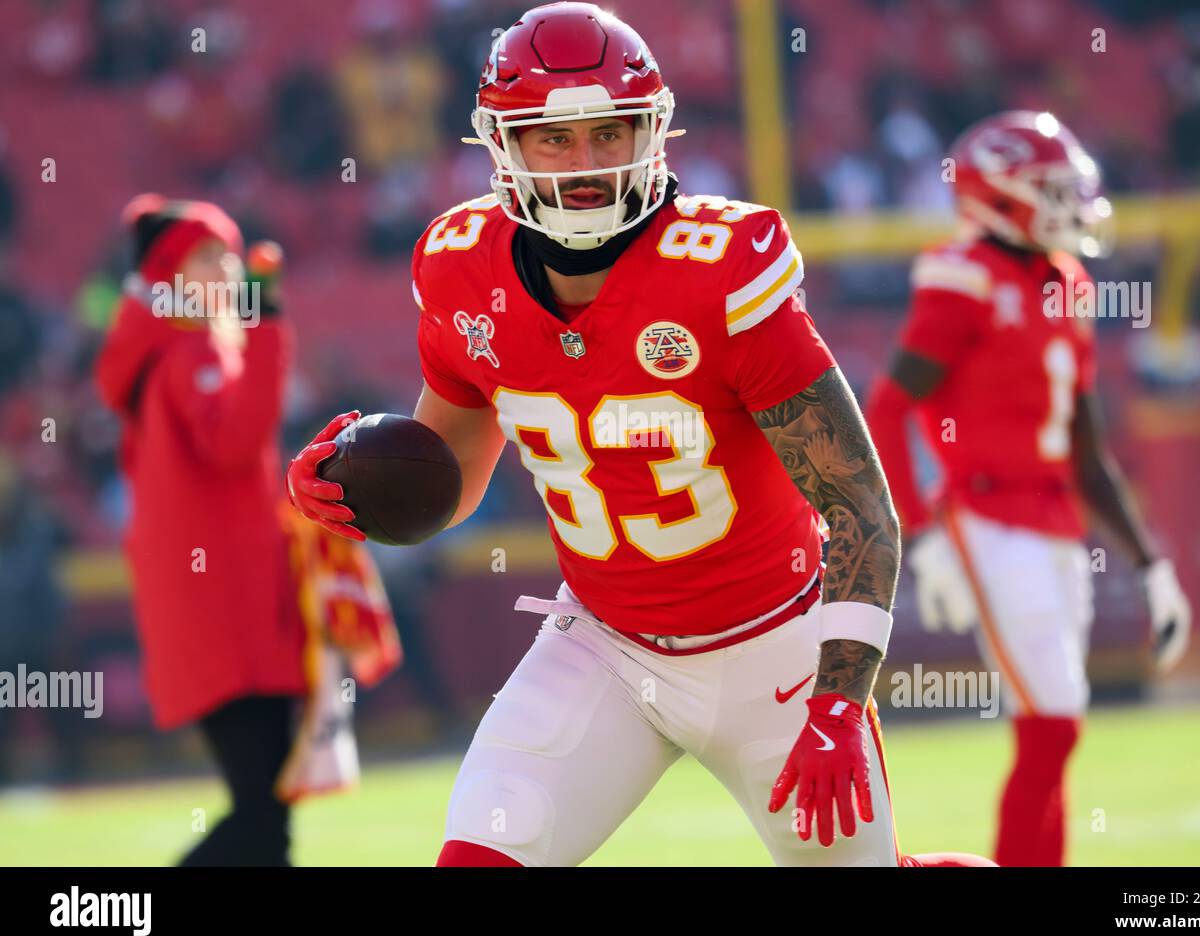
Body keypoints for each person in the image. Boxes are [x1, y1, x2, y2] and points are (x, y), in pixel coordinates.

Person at [288, 2, 990, 868]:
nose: (586, 163)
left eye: (609, 132)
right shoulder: (461, 265)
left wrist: (839, 703)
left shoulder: (720, 269)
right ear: (503, 144)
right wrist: (350, 490)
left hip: (775, 648)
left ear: (650, 131)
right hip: (606, 643)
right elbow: (449, 474)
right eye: (555, 138)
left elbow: (860, 507)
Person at [864, 112, 1193, 866]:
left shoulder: (1068, 282)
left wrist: (1151, 564)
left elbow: (1085, 447)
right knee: (1055, 723)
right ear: (1000, 196)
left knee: (1053, 731)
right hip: (986, 515)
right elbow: (888, 406)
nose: (1071, 205)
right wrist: (923, 535)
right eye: (1052, 189)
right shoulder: (965, 274)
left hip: (1056, 523)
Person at [96, 195, 399, 864]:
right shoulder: (191, 352)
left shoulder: (166, 351)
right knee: (263, 819)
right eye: (207, 256)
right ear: (168, 276)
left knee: (266, 820)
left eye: (229, 254)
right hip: (228, 612)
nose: (228, 269)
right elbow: (235, 444)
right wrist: (266, 325)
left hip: (217, 606)